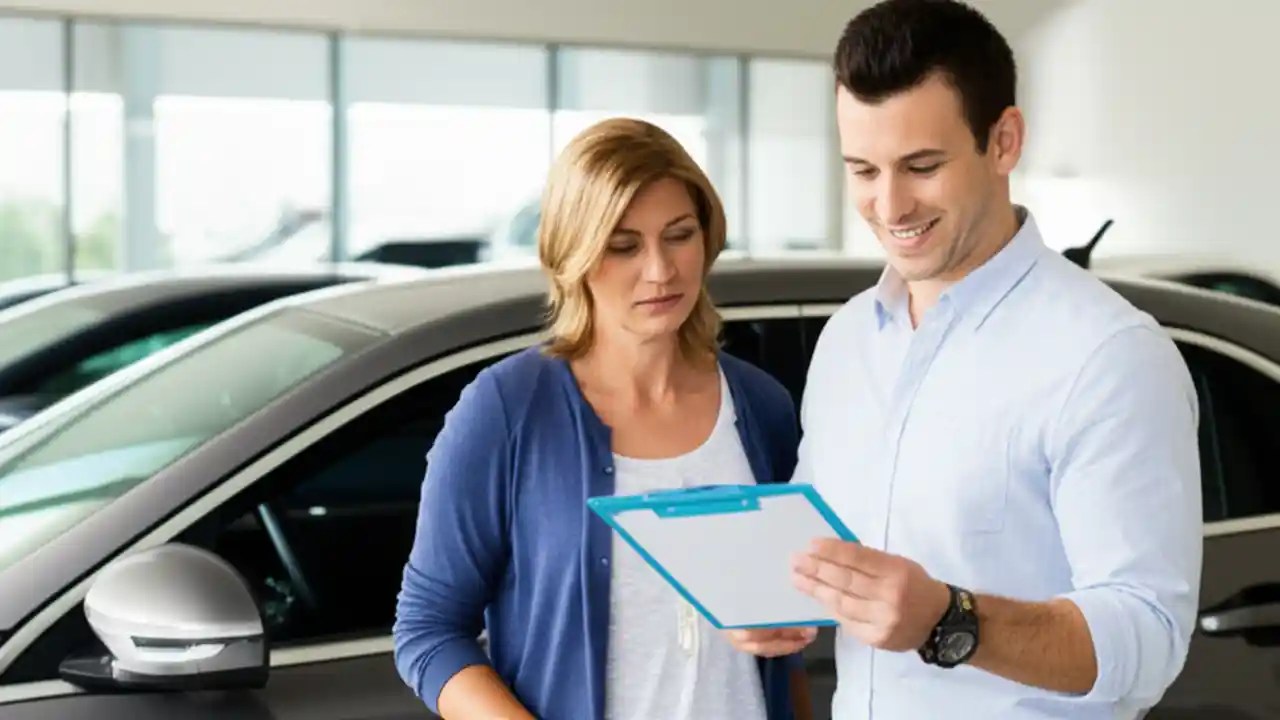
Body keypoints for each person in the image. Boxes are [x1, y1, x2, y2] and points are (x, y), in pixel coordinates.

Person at [726, 0, 1202, 718]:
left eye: (921, 166)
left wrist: (950, 621)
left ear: (1004, 141)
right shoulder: (849, 339)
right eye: (862, 169)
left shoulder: (1108, 356)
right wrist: (774, 596)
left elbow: (1149, 638)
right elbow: (820, 541)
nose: (889, 205)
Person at [392, 116, 812, 720]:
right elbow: (426, 630)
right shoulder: (507, 411)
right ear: (575, 255)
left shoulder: (763, 407)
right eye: (623, 246)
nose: (660, 270)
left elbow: (784, 651)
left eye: (679, 235)